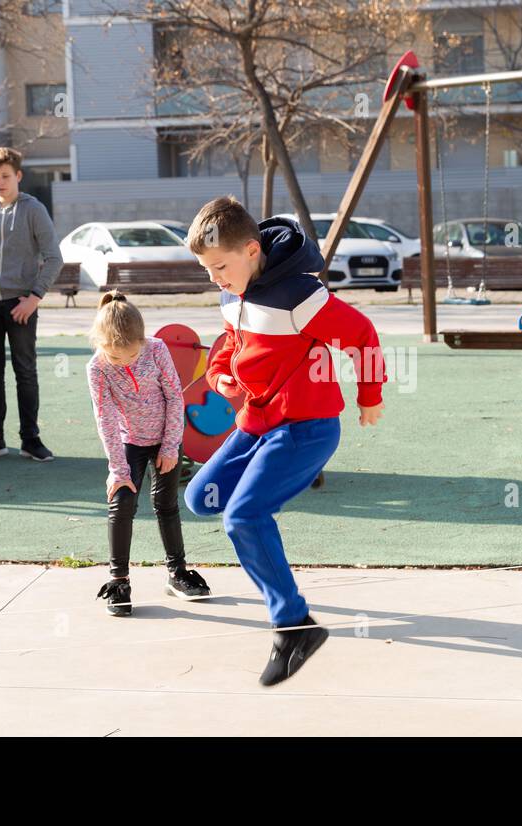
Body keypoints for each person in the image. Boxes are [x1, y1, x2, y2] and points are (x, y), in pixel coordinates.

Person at [182, 196, 386, 686]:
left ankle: (294, 626)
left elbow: (363, 334)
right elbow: (230, 345)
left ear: (252, 250)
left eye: (220, 266)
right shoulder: (233, 292)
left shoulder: (300, 296)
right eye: (207, 269)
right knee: (200, 498)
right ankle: (265, 507)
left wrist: (369, 396)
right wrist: (221, 375)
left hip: (306, 426)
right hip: (257, 422)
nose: (215, 277)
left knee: (244, 516)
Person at [87, 291, 210, 616]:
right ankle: (119, 581)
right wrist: (118, 469)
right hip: (129, 443)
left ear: (141, 341)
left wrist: (170, 446)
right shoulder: (97, 368)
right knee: (121, 501)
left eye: (129, 355)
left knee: (165, 504)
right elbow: (106, 418)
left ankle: (177, 572)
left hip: (165, 439)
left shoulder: (156, 350)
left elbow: (174, 396)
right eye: (115, 358)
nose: (124, 362)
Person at [0, 147, 63, 462]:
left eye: (5, 176)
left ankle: (30, 439)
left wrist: (34, 298)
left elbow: (54, 258)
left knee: (25, 371)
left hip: (20, 304)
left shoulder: (34, 210)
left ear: (18, 176)